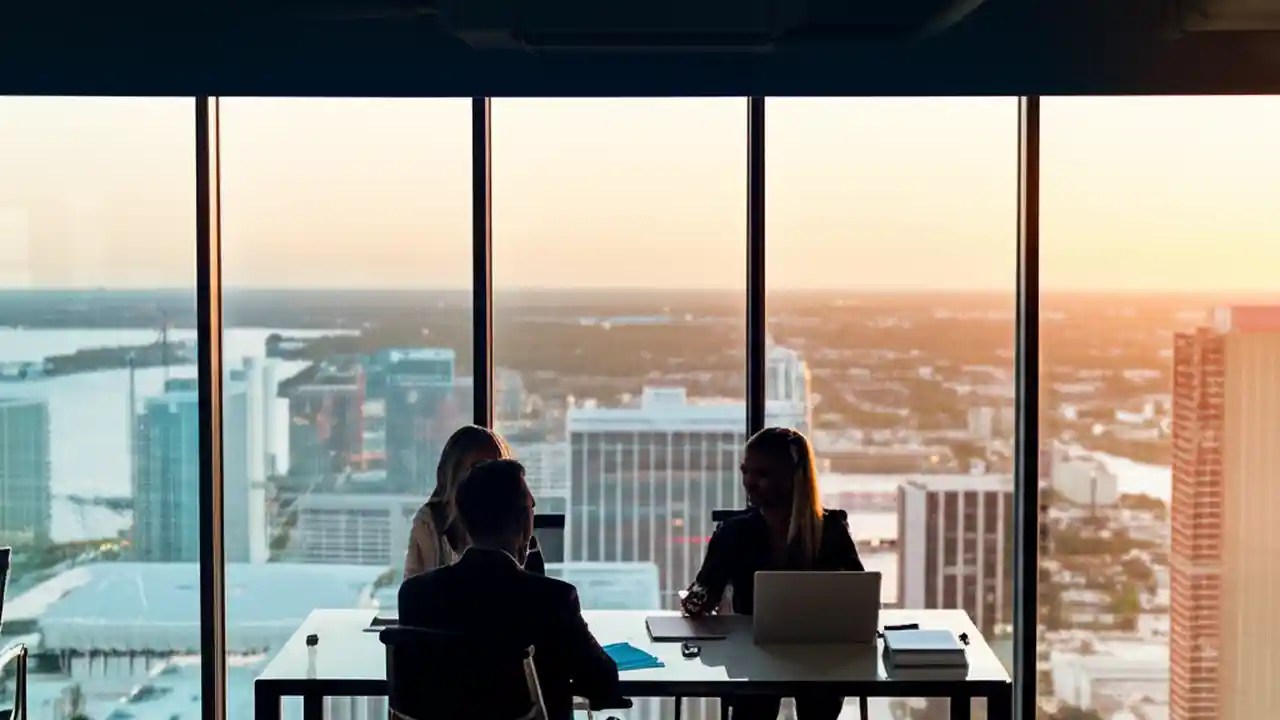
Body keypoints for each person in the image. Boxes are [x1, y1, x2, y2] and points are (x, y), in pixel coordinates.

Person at [398, 459, 621, 720]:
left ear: (465, 522)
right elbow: (604, 683)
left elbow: (412, 690)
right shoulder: (554, 600)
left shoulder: (416, 596)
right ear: (525, 525)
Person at [681, 427, 865, 720]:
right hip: (753, 658)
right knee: (756, 705)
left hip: (819, 656)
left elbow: (858, 599)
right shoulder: (734, 532)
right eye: (746, 472)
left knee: (818, 701)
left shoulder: (831, 531)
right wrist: (697, 600)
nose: (750, 483)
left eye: (762, 475)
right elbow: (704, 592)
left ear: (793, 479)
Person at [403, 425, 544, 579]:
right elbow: (414, 592)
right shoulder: (430, 525)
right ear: (451, 474)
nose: (489, 480)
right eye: (479, 468)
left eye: (498, 469)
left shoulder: (521, 532)